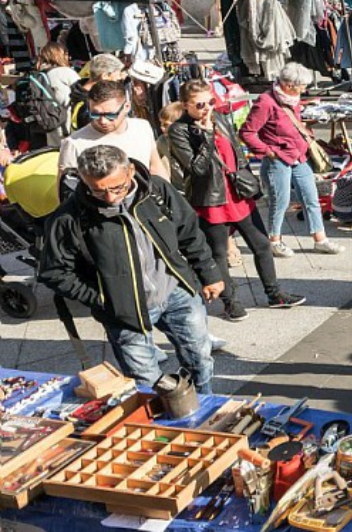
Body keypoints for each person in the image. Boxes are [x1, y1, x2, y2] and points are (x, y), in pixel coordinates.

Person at [40, 145, 223, 392]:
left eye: (117, 187)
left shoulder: (157, 191)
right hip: (123, 311)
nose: (110, 197)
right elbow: (54, 271)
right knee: (144, 379)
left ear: (130, 171)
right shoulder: (68, 218)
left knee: (200, 359)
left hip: (175, 291)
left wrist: (209, 272)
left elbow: (189, 231)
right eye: (98, 190)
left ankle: (203, 403)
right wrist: (102, 298)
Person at [168, 79, 304, 322]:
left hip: (237, 193)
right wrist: (206, 135)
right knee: (219, 253)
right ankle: (231, 303)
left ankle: (274, 294)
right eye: (200, 105)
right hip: (211, 198)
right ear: (185, 105)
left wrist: (250, 184)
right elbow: (197, 169)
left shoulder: (220, 118)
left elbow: (238, 155)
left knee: (261, 244)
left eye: (210, 102)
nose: (207, 109)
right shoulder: (179, 130)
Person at [239, 62, 344, 257]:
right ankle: (274, 240)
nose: (304, 90)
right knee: (280, 201)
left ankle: (320, 239)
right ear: (289, 85)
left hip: (298, 155)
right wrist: (268, 152)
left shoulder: (291, 99)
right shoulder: (265, 102)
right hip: (278, 159)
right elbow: (247, 132)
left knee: (311, 197)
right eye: (302, 86)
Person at [58, 80, 166, 180]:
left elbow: (156, 167)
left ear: (127, 107)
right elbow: (66, 189)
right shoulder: (73, 144)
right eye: (95, 114)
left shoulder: (142, 128)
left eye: (110, 115)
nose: (103, 121)